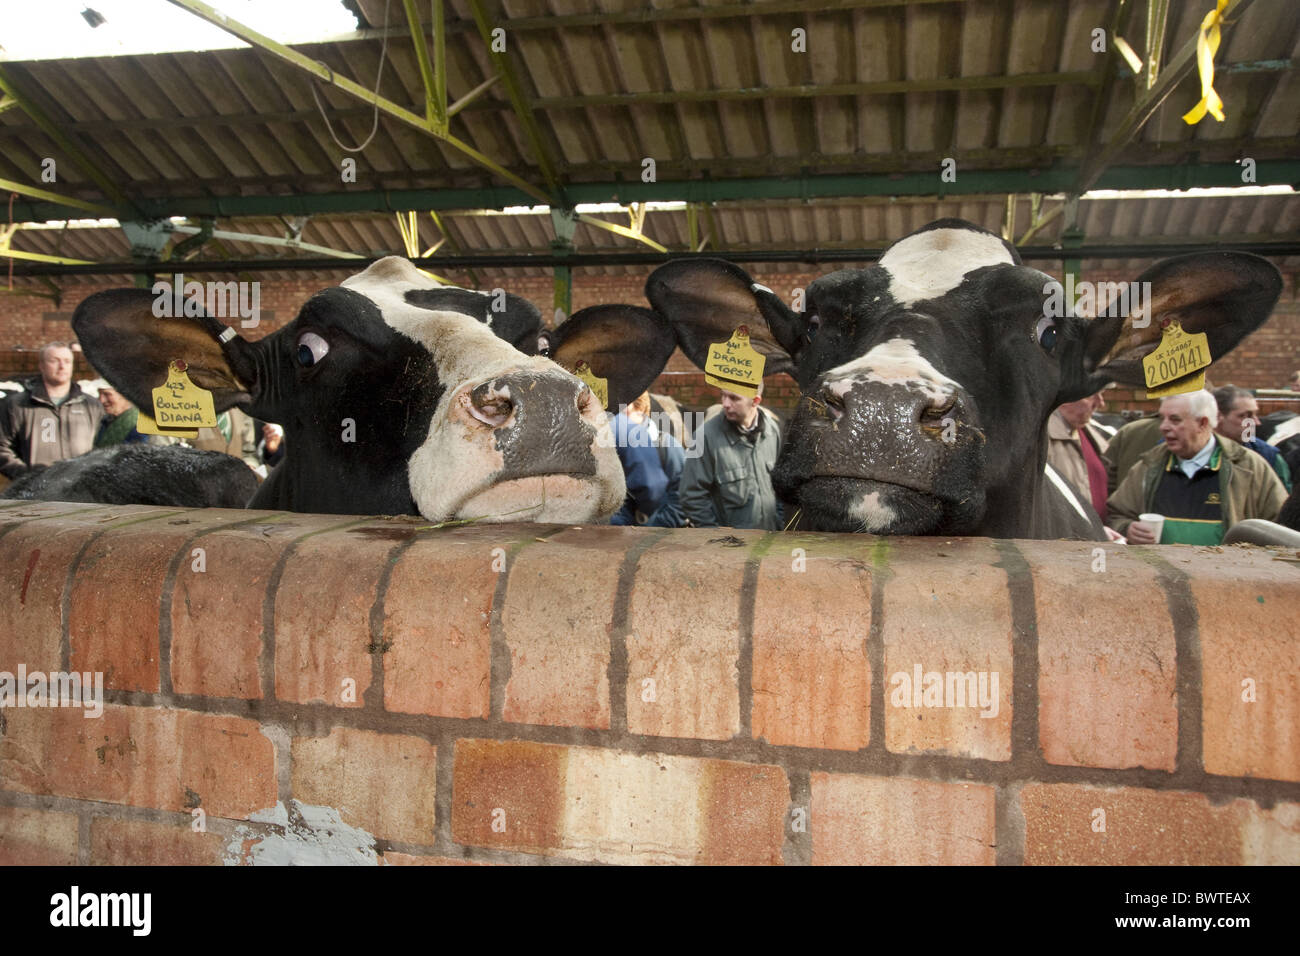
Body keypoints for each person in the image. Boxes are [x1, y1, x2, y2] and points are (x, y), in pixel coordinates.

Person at [1107, 390, 1287, 545]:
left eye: (1175, 420)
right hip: (1159, 579)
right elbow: (1116, 514)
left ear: (1202, 423)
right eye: (1163, 418)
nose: (1164, 427)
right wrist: (1127, 528)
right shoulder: (1148, 466)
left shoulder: (1249, 467)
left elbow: (1280, 527)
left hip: (1228, 580)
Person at [679, 382, 782, 530]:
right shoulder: (704, 437)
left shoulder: (772, 431)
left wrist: (779, 523)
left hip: (769, 540)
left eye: (734, 398)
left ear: (755, 401)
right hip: (730, 547)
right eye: (723, 395)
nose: (725, 404)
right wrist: (715, 536)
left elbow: (779, 487)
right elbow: (691, 496)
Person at [0, 342, 103, 479]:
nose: (62, 367)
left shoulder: (92, 406)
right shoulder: (17, 405)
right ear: (41, 366)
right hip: (34, 492)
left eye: (67, 362)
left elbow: (104, 448)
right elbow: (2, 449)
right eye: (54, 361)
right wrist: (27, 477)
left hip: (78, 490)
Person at [609, 392, 685, 527]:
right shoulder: (613, 444)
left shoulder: (667, 445)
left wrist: (657, 524)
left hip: (658, 530)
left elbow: (681, 494)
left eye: (620, 409)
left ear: (639, 409)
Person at [1046, 390, 1112, 519]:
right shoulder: (1041, 439)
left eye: (1102, 394)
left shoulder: (1090, 433)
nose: (1100, 403)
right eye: (1092, 395)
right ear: (1066, 398)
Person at [1213, 385, 1291, 492]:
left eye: (1255, 415)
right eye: (1245, 416)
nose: (1256, 423)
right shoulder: (1191, 453)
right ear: (1217, 417)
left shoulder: (1269, 457)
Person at [188, 406, 260, 474]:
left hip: (237, 482)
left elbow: (249, 453)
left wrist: (250, 465)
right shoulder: (187, 411)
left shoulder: (241, 409)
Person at [92, 382, 151, 448]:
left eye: (107, 394)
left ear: (125, 395)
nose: (101, 400)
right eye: (99, 394)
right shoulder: (106, 421)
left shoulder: (140, 426)